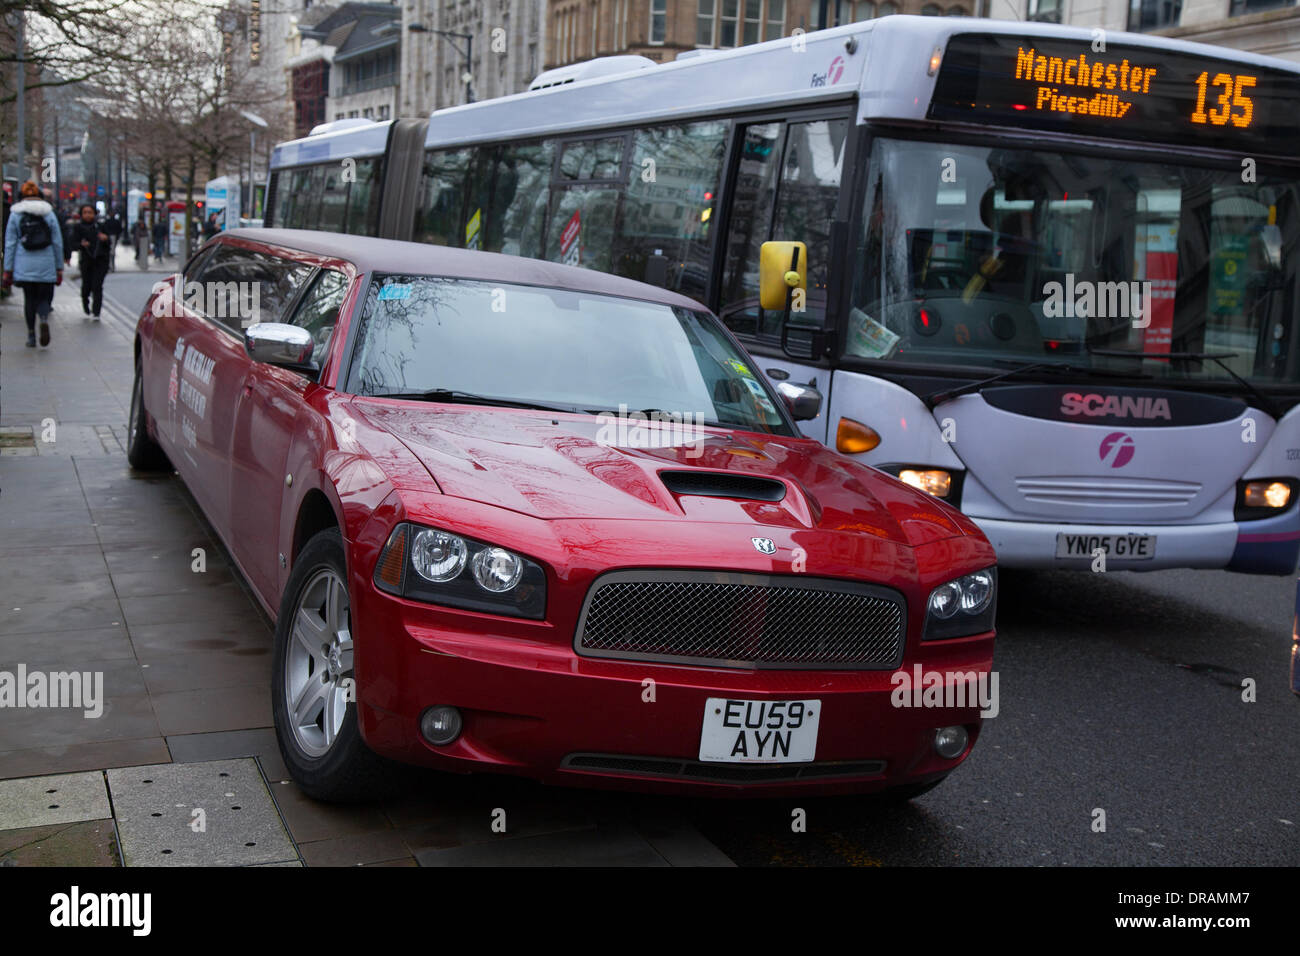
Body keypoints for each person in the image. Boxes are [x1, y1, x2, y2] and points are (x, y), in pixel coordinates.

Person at [2, 180, 64, 347]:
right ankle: (43, 318)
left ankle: (31, 335)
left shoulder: (16, 214)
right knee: (44, 297)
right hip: (46, 262)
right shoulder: (49, 214)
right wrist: (59, 267)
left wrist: (7, 269)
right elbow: (57, 242)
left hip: (24, 263)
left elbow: (10, 243)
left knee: (29, 299)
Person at [66, 203, 111, 319]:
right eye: (85, 212)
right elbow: (73, 244)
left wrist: (105, 239)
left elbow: (109, 242)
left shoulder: (100, 226)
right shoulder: (78, 227)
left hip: (101, 260)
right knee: (86, 285)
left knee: (97, 285)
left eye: (90, 212)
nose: (87, 215)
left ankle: (96, 311)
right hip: (86, 260)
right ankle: (85, 302)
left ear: (94, 214)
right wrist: (81, 245)